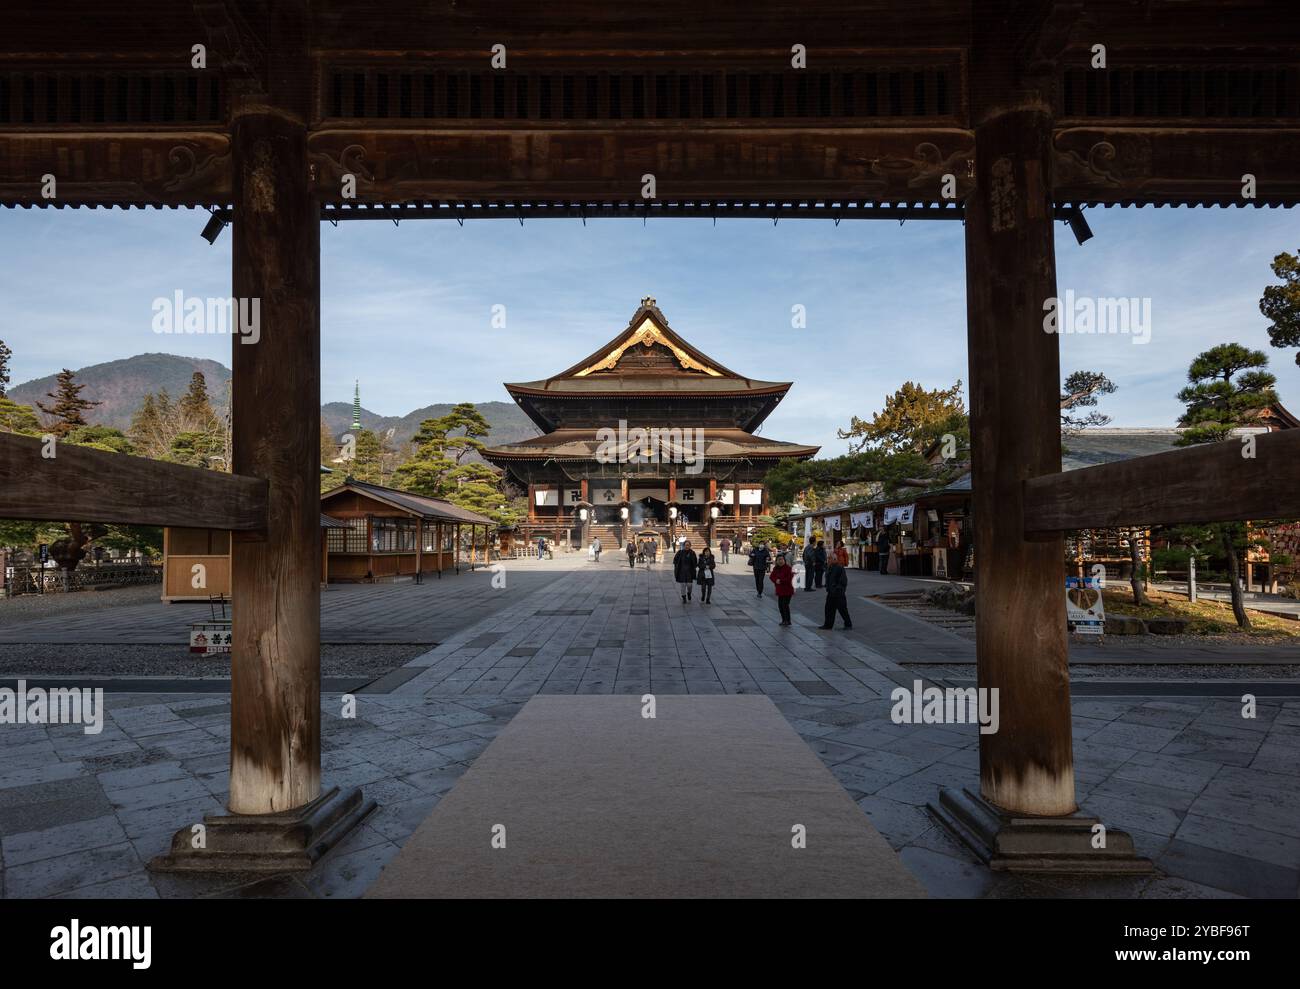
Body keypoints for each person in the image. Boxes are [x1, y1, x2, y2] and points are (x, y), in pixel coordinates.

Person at [820, 556, 853, 629]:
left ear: (834, 559)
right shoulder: (830, 567)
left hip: (838, 593)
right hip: (831, 592)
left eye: (829, 558)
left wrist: (837, 588)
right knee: (828, 609)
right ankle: (828, 625)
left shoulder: (839, 568)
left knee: (842, 609)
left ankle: (848, 624)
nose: (828, 560)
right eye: (828, 558)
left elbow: (843, 581)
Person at [769, 552, 795, 625]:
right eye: (779, 559)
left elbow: (789, 578)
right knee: (780, 606)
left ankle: (788, 620)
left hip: (787, 590)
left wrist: (781, 580)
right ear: (776, 561)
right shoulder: (776, 568)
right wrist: (775, 580)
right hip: (780, 590)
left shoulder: (788, 568)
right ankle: (784, 620)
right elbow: (771, 577)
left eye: (782, 559)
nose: (781, 561)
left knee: (785, 605)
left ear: (784, 560)